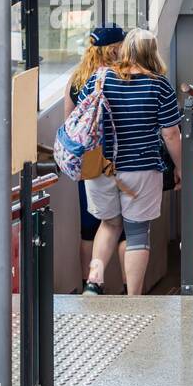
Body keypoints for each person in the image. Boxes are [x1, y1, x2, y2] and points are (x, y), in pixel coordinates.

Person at [76, 30, 182, 296]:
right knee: (136, 233)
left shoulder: (99, 79)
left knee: (108, 225)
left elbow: (81, 118)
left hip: (99, 167)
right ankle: (134, 298)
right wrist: (181, 167)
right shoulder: (158, 85)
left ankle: (94, 281)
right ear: (152, 52)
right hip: (141, 168)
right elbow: (170, 133)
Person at [65, 24, 126, 277]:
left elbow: (68, 123)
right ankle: (129, 291)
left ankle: (88, 285)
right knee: (125, 230)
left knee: (89, 228)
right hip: (119, 158)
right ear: (114, 49)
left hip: (88, 161)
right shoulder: (121, 77)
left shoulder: (77, 78)